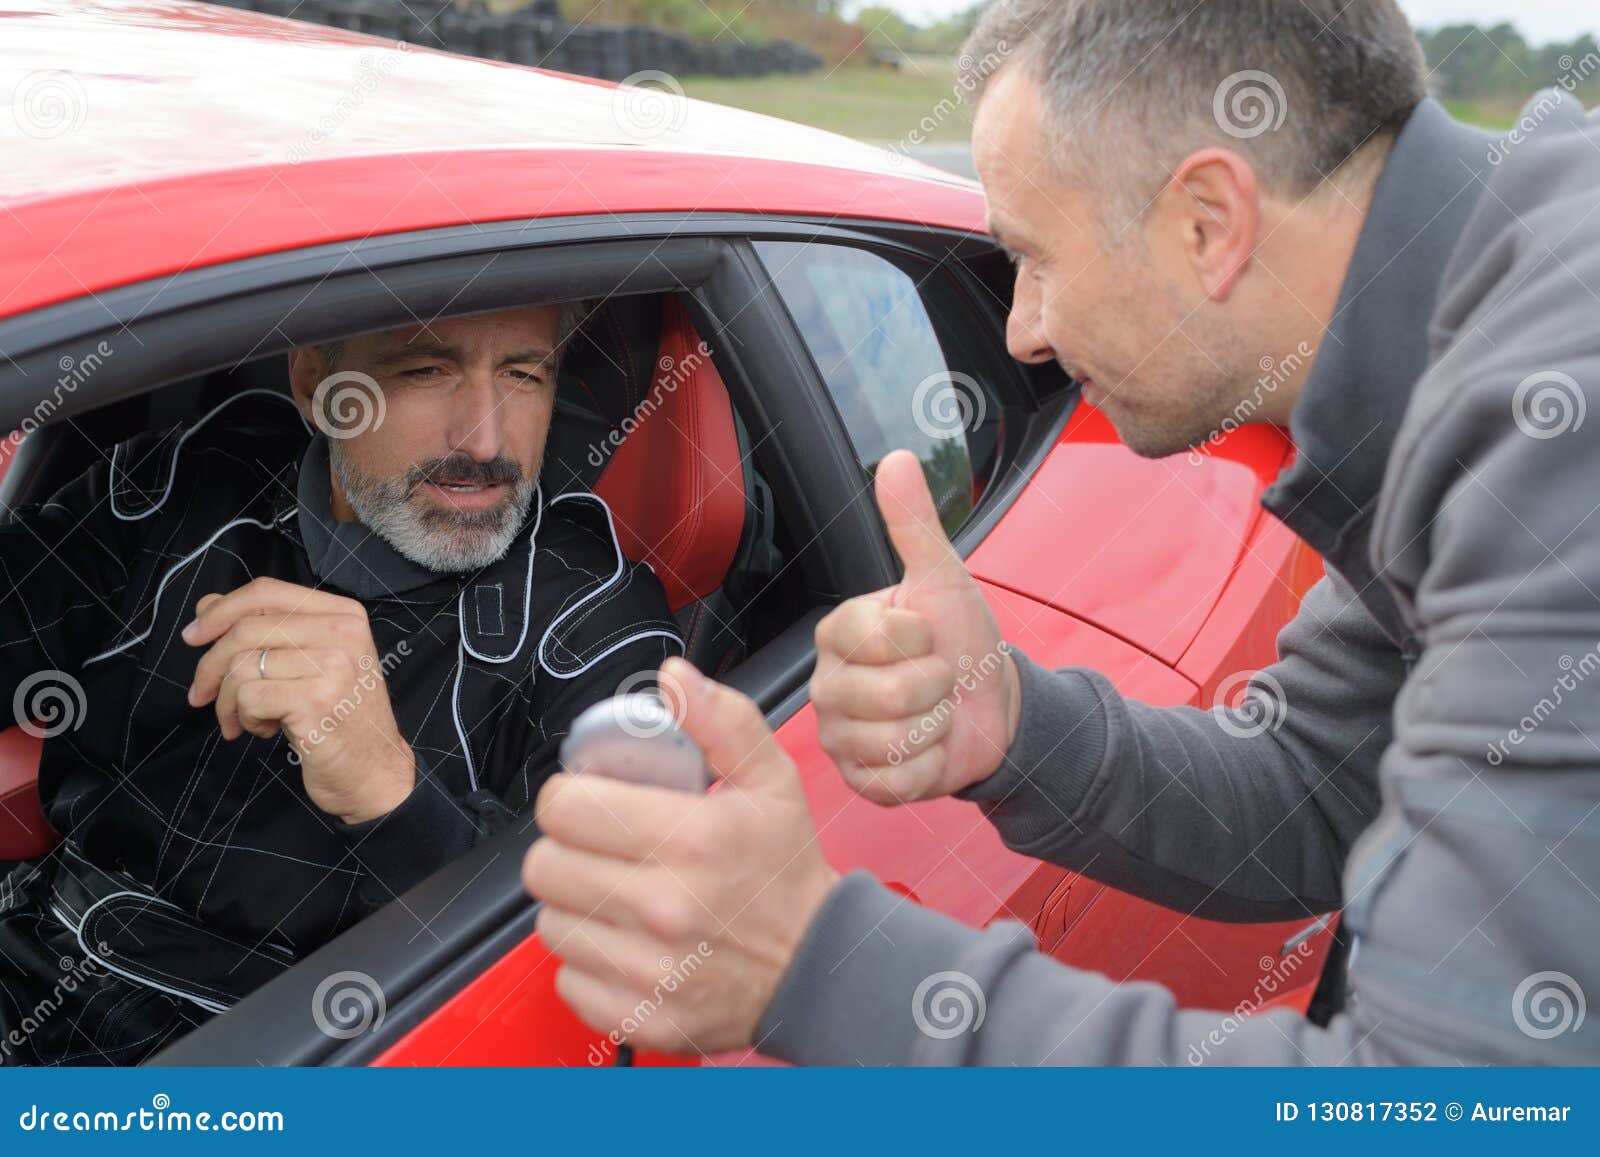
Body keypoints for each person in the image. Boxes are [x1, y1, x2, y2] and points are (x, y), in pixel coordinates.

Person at [521, 0, 1600, 1065]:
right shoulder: (1477, 321)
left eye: (1033, 258)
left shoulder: (1556, 424)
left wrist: (815, 966)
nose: (1021, 331)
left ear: (1208, 224)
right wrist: (1016, 726)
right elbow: (1325, 788)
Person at [0, 302, 681, 1065]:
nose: (486, 442)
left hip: (297, 1058)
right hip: (40, 958)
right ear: (315, 382)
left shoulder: (598, 625)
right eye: (427, 370)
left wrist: (389, 790)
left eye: (524, 374)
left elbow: (597, 997)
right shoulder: (193, 477)